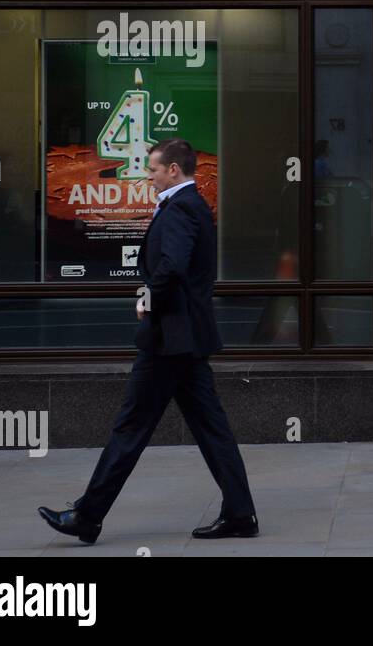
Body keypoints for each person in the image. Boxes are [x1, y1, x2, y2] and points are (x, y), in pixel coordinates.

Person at [39, 139, 259, 543]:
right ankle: (240, 514)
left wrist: (148, 300)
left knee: (131, 428)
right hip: (185, 338)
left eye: (154, 169)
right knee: (212, 431)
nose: (149, 176)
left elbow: (172, 266)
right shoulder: (192, 206)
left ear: (173, 170)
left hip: (169, 339)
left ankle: (87, 516)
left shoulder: (179, 210)